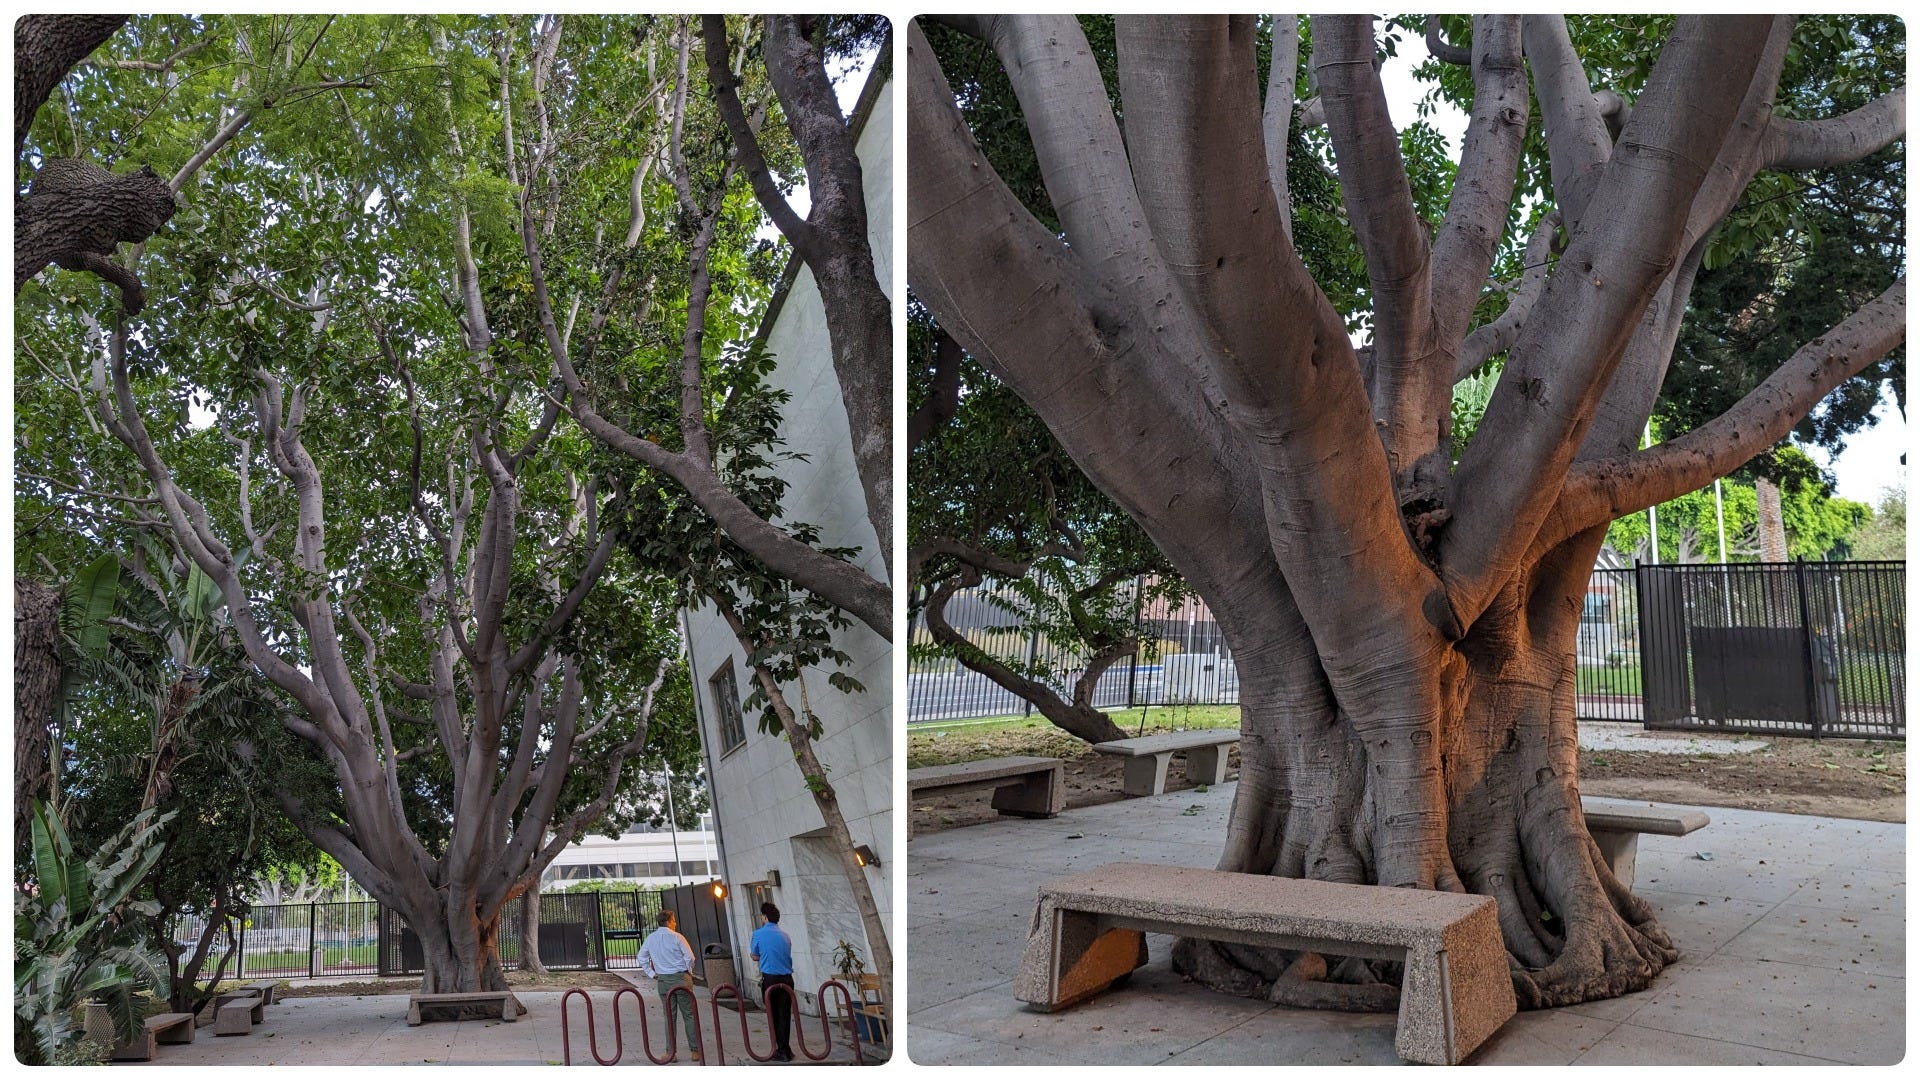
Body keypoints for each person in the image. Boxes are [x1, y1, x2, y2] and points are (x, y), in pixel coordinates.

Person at [638, 909, 701, 1062]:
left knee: (669, 1017)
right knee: (689, 1014)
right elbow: (690, 957)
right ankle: (695, 1050)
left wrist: (652, 974)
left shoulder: (651, 939)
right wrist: (688, 970)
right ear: (668, 921)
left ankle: (671, 1052)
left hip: (664, 980)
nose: (675, 923)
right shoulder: (677, 937)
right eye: (673, 920)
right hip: (681, 977)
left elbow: (641, 957)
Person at [750, 901, 796, 1062]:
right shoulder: (785, 935)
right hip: (787, 979)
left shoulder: (758, 934)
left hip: (770, 979)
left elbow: (754, 955)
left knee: (773, 1014)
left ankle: (781, 1049)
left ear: (764, 917)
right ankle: (785, 1048)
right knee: (784, 1014)